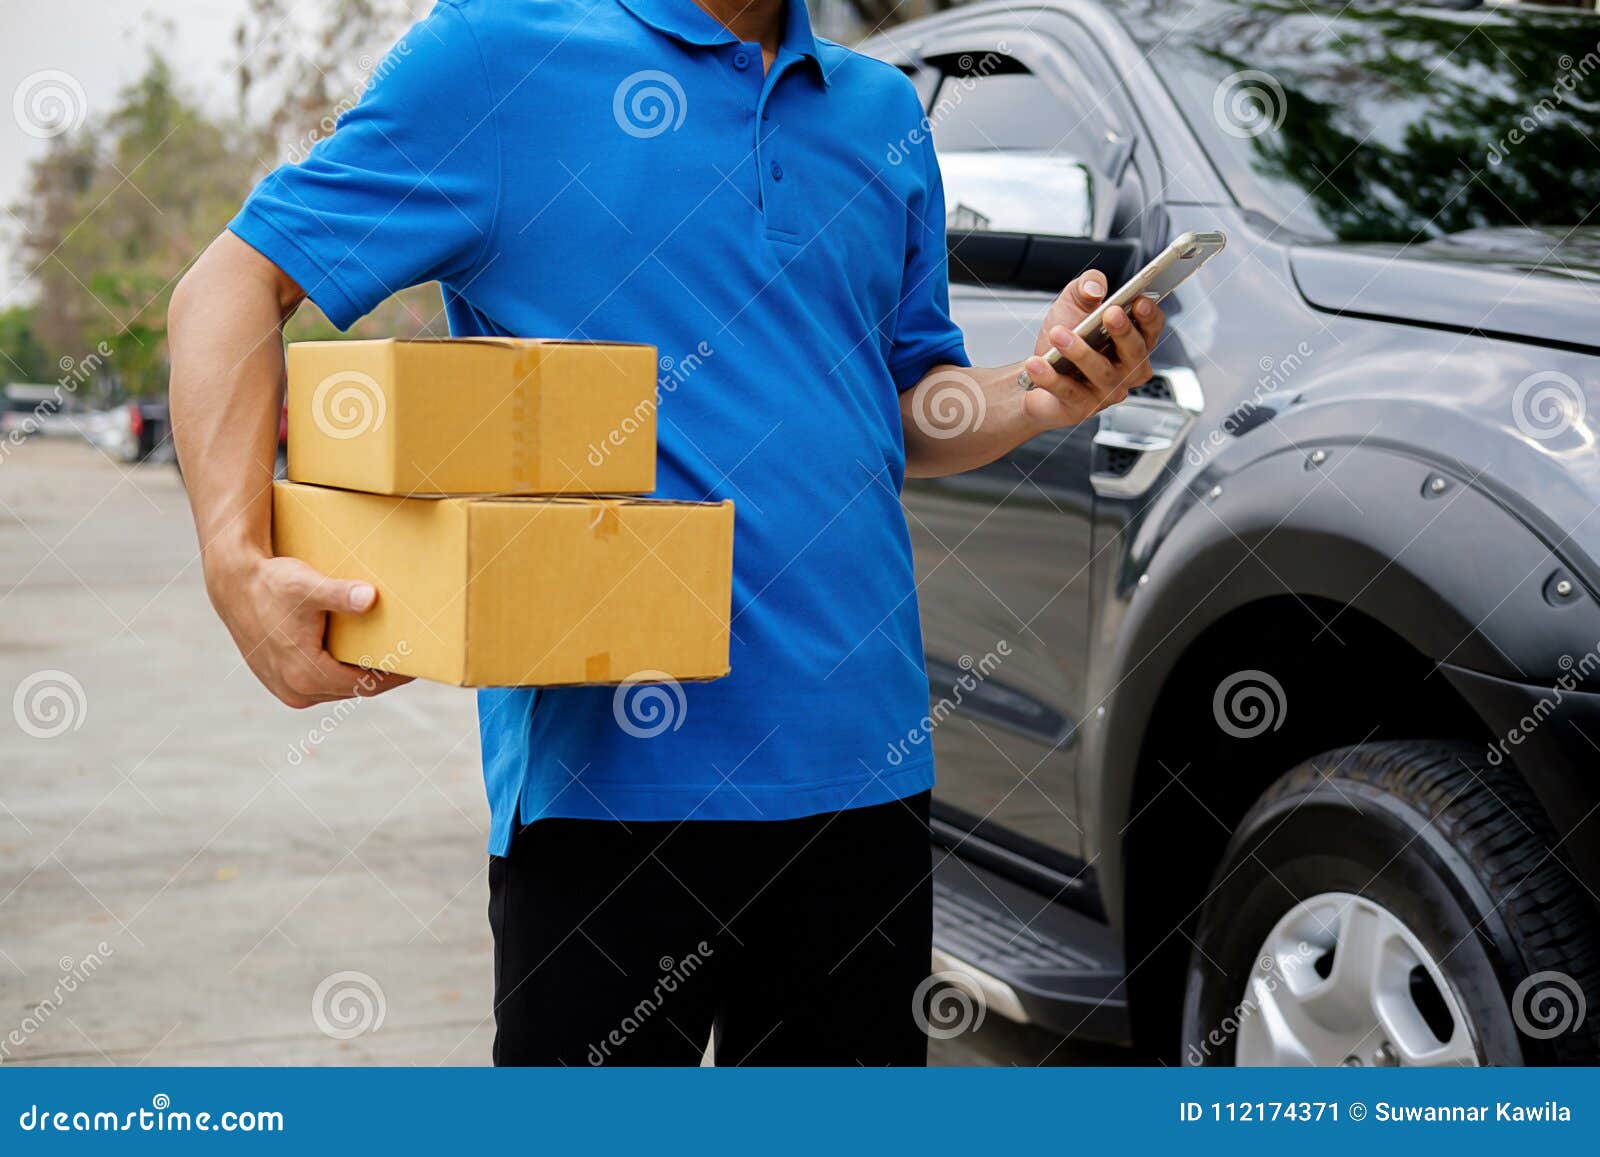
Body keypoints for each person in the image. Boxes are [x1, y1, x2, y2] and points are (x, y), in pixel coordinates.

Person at [168, 0, 1163, 1066]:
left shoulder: (876, 109)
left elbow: (907, 398)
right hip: (611, 784)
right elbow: (231, 284)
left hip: (864, 769)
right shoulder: (498, 55)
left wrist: (1040, 391)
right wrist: (237, 560)